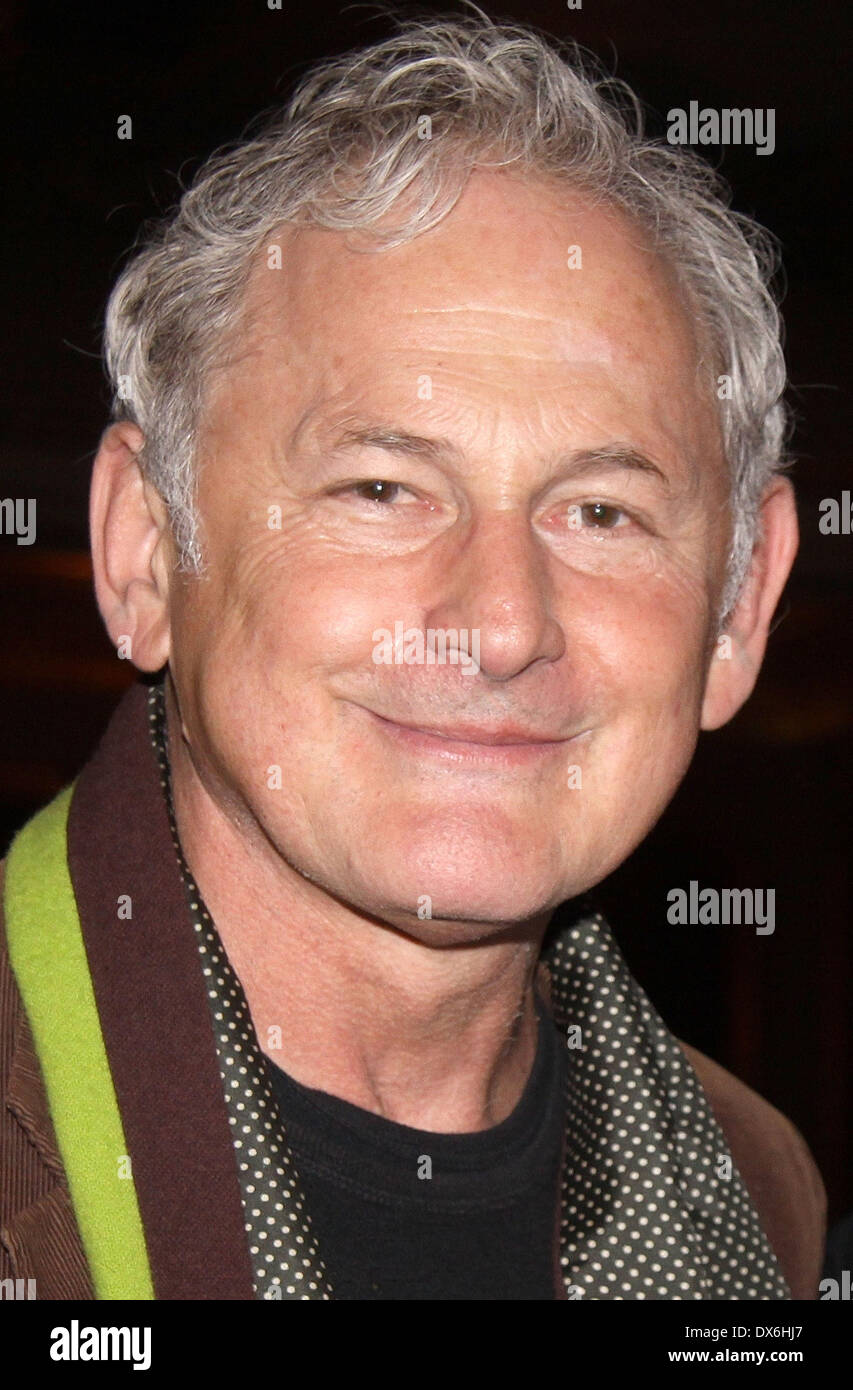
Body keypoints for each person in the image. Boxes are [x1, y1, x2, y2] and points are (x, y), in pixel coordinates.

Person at [0, 12, 825, 1300]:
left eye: (600, 512)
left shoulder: (760, 1194)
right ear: (145, 555)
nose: (501, 625)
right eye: (382, 488)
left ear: (738, 609)